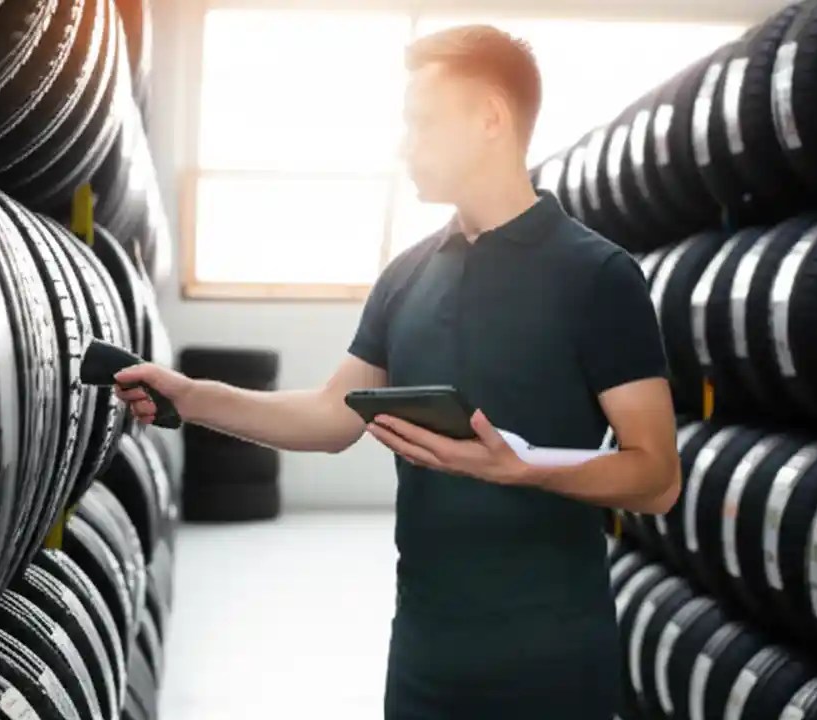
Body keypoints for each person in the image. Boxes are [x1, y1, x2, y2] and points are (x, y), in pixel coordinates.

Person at [115, 23, 680, 719]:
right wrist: (191, 397)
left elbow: (656, 476)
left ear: (491, 120)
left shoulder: (598, 277)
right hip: (424, 658)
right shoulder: (407, 275)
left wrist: (523, 467)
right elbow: (331, 418)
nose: (403, 145)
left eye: (421, 123)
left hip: (553, 662)